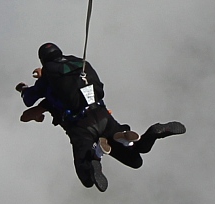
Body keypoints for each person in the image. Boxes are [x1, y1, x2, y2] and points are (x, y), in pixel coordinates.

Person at [17, 43, 184, 190]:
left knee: (87, 178)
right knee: (136, 160)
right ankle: (148, 134)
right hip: (102, 115)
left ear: (42, 61)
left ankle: (97, 157)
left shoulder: (49, 86)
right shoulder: (78, 63)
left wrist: (24, 88)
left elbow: (29, 101)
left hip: (81, 126)